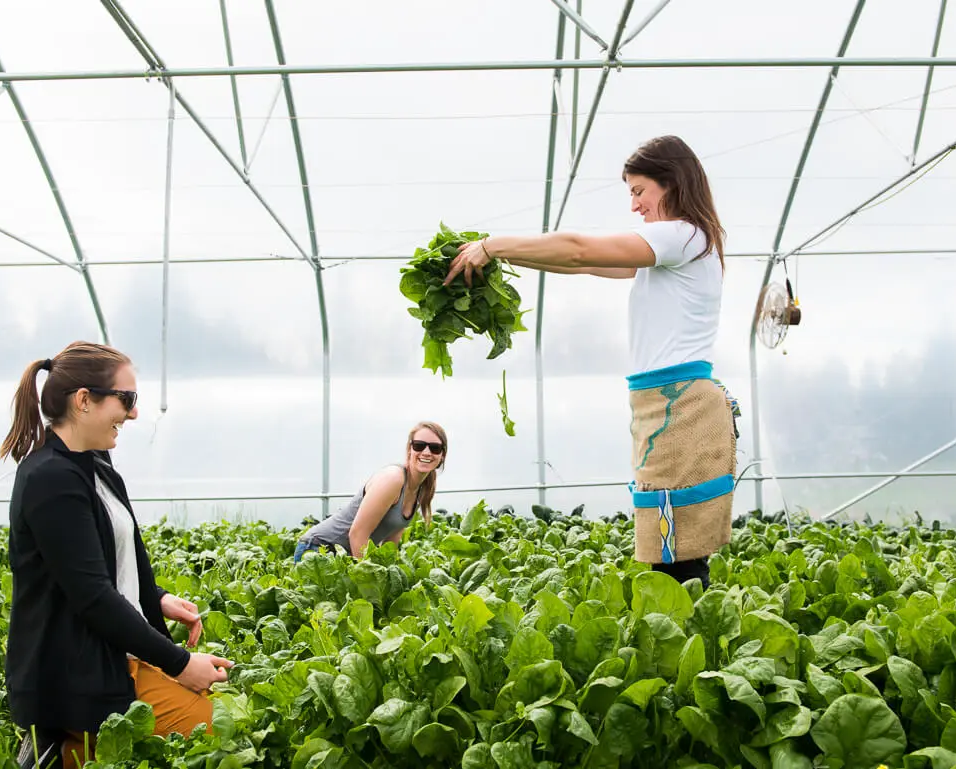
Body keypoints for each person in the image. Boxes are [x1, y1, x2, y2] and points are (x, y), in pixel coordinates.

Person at [445, 135, 737, 589]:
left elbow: (581, 248)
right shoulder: (679, 247)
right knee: (670, 543)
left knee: (676, 550)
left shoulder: (682, 234)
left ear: (672, 182)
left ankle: (691, 639)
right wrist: (503, 255)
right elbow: (582, 263)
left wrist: (493, 244)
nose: (636, 206)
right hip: (665, 404)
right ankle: (687, 631)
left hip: (679, 406)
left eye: (640, 191)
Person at [0, 341, 233, 769]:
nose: (135, 413)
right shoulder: (51, 478)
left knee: (227, 715)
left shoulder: (95, 464)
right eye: (126, 399)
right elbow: (92, 597)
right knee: (219, 731)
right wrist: (181, 664)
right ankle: (63, 751)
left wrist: (156, 598)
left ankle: (70, 750)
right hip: (77, 672)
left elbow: (106, 561)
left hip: (113, 652)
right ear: (84, 400)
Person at [295, 422, 447, 560]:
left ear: (442, 456)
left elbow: (391, 542)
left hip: (345, 555)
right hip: (318, 550)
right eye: (419, 446)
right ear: (409, 450)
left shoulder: (422, 487)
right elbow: (357, 534)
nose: (427, 452)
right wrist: (368, 581)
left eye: (435, 448)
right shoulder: (394, 478)